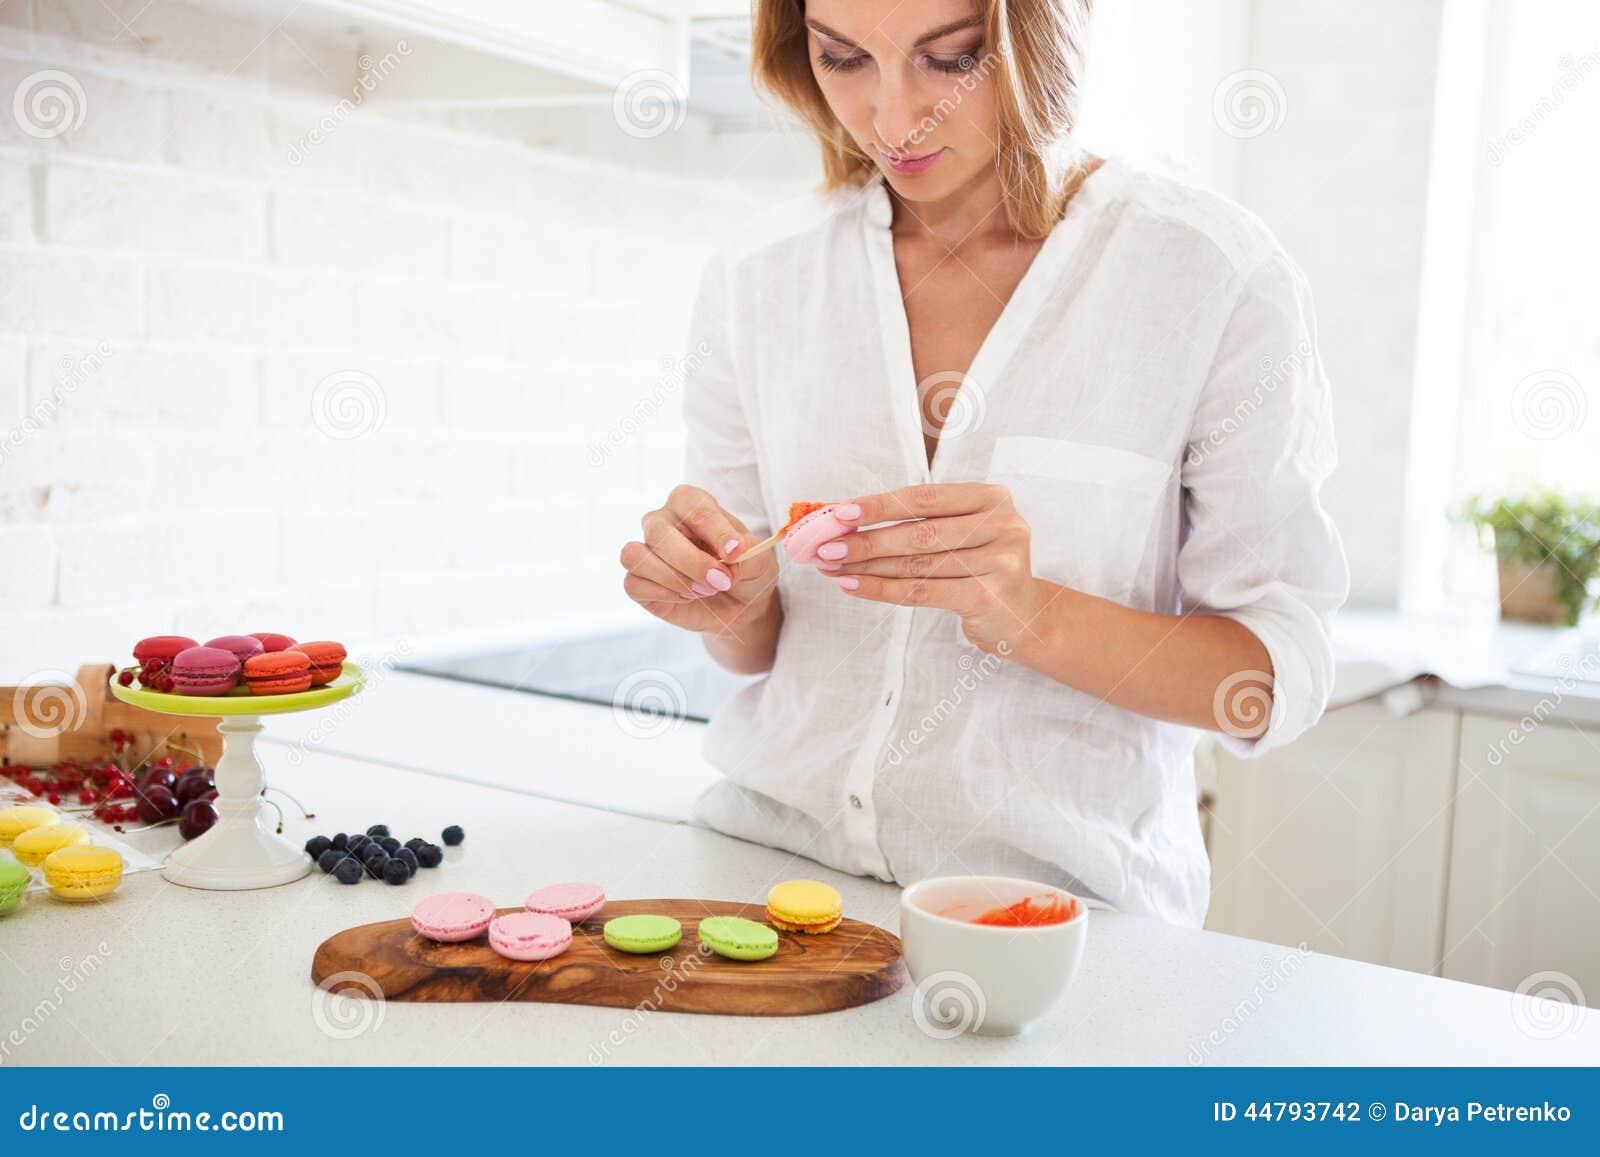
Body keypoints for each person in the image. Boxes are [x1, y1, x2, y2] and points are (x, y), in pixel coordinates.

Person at [618, 0, 1348, 925]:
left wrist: (1031, 614)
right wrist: (728, 602)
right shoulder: (756, 277)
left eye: (952, 58)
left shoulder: (1210, 277)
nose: (892, 120)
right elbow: (749, 647)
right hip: (766, 884)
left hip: (1062, 928)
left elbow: (1274, 679)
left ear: (1046, 36)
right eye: (843, 58)